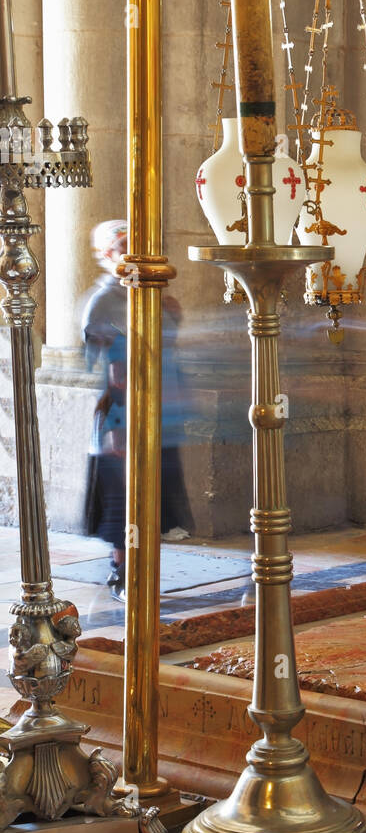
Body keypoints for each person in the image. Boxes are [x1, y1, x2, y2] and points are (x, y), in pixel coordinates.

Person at [82, 220, 192, 597]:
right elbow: (105, 360)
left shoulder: (159, 294)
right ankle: (122, 569)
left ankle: (147, 569)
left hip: (160, 411)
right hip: (123, 416)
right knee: (124, 501)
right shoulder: (104, 299)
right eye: (123, 246)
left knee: (156, 498)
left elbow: (167, 346)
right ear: (109, 253)